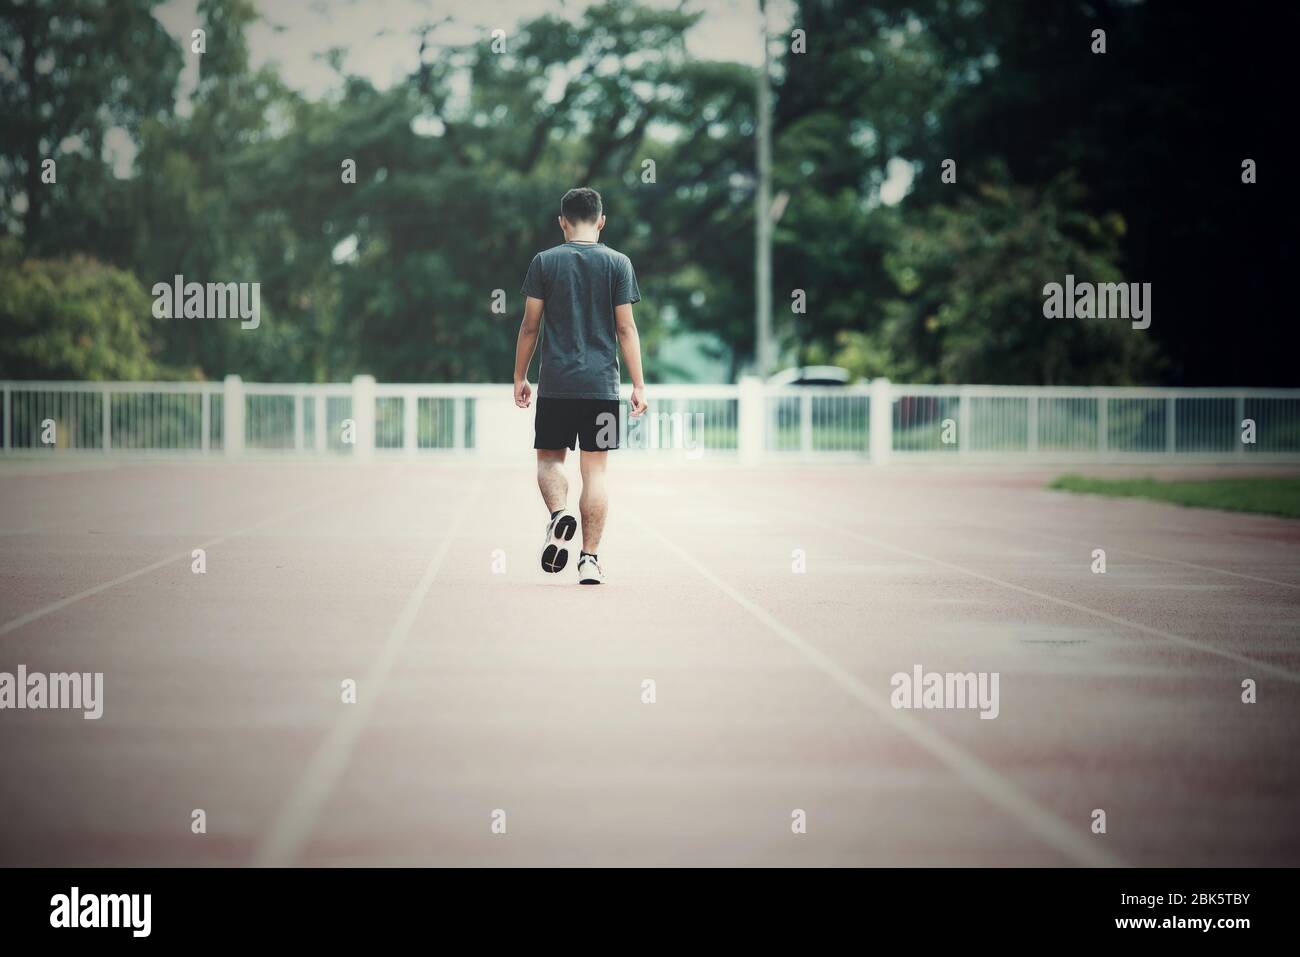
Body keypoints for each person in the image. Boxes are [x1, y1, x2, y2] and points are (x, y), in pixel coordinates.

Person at [513, 187, 647, 584]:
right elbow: (626, 327)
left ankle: (559, 514)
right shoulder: (619, 263)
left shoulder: (544, 262)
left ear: (562, 222)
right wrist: (638, 384)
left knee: (549, 462)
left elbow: (529, 326)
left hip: (556, 385)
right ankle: (589, 559)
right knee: (597, 473)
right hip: (603, 387)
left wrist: (520, 376)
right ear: (601, 220)